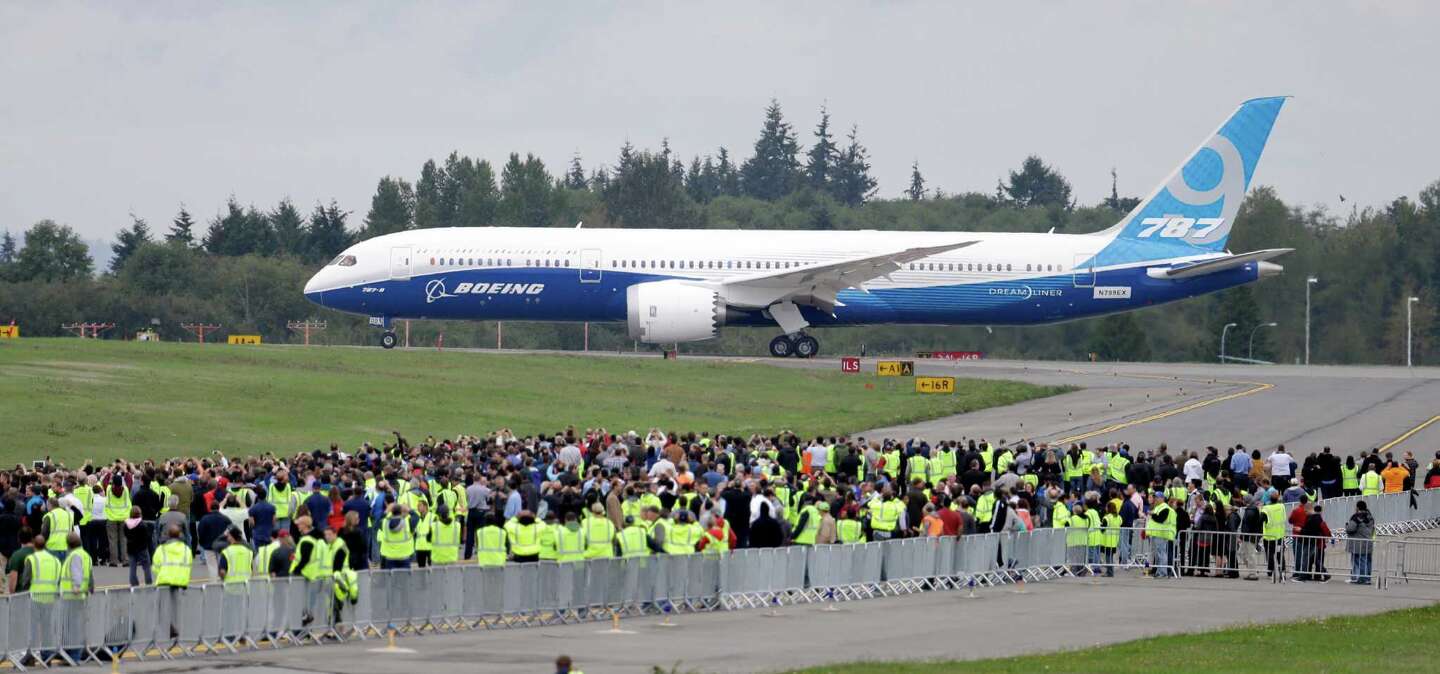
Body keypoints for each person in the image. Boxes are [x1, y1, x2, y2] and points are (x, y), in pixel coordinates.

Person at [1345, 500, 1375, 585]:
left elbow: (1351, 528)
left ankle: (1360, 578)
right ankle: (1367, 578)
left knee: (1358, 561)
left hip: (1358, 543)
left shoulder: (1356, 517)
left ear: (1357, 507)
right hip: (1368, 541)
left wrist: (1346, 526)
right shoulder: (1370, 516)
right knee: (1367, 560)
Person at [123, 507, 154, 586]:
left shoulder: (126, 524)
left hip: (131, 548)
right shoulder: (142, 525)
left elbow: (126, 535)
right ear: (140, 514)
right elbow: (147, 537)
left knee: (132, 567)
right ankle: (149, 583)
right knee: (146, 566)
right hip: (142, 548)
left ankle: (134, 583)